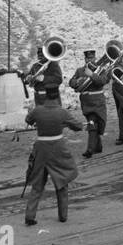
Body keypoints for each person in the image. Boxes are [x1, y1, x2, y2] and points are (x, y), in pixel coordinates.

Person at [23, 87, 84, 225]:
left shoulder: (38, 110)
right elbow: (78, 126)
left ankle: (30, 215)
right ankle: (63, 215)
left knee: (37, 184)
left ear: (46, 96)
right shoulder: (61, 112)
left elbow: (28, 119)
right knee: (62, 181)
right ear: (57, 97)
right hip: (57, 148)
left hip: (40, 149)